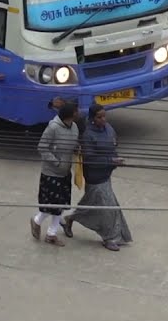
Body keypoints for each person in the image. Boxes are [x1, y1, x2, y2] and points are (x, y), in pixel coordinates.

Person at [61, 105, 131, 251]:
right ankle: (109, 238)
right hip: (95, 177)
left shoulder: (109, 129)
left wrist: (116, 159)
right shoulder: (88, 135)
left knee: (91, 205)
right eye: (99, 117)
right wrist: (111, 161)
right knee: (108, 208)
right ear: (92, 119)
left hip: (106, 173)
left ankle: (69, 219)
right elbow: (90, 159)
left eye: (104, 116)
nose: (103, 119)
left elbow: (113, 145)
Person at [31, 101, 80, 246]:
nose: (78, 113)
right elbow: (42, 147)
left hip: (65, 172)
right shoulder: (52, 128)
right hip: (52, 173)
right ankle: (49, 232)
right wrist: (56, 162)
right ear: (70, 115)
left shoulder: (74, 127)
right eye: (76, 111)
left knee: (60, 204)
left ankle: (42, 226)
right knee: (54, 205)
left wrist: (76, 149)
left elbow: (73, 143)